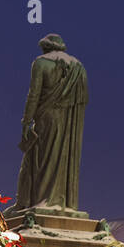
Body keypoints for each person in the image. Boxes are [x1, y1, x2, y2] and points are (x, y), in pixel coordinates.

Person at [16, 33, 89, 213]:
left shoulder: (40, 63)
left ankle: (41, 200)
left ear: (46, 47)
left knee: (39, 158)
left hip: (46, 117)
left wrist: (26, 121)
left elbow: (34, 94)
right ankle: (59, 200)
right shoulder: (78, 67)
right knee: (62, 156)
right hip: (69, 121)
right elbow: (83, 99)